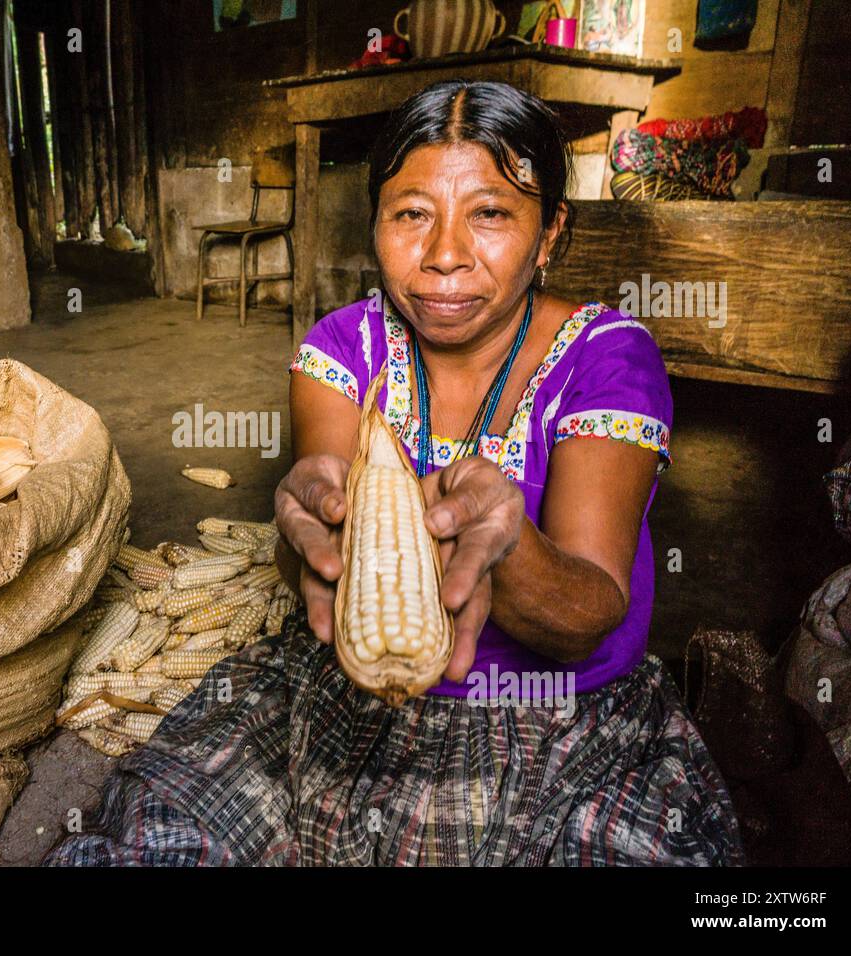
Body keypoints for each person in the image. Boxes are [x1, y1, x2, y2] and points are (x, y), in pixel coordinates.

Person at [45, 80, 744, 866]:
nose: (444, 254)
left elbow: (587, 614)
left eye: (490, 213)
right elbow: (317, 533)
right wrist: (299, 535)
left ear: (550, 233)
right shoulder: (344, 350)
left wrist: (510, 547)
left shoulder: (607, 357)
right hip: (349, 699)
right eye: (411, 213)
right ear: (374, 222)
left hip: (557, 717)